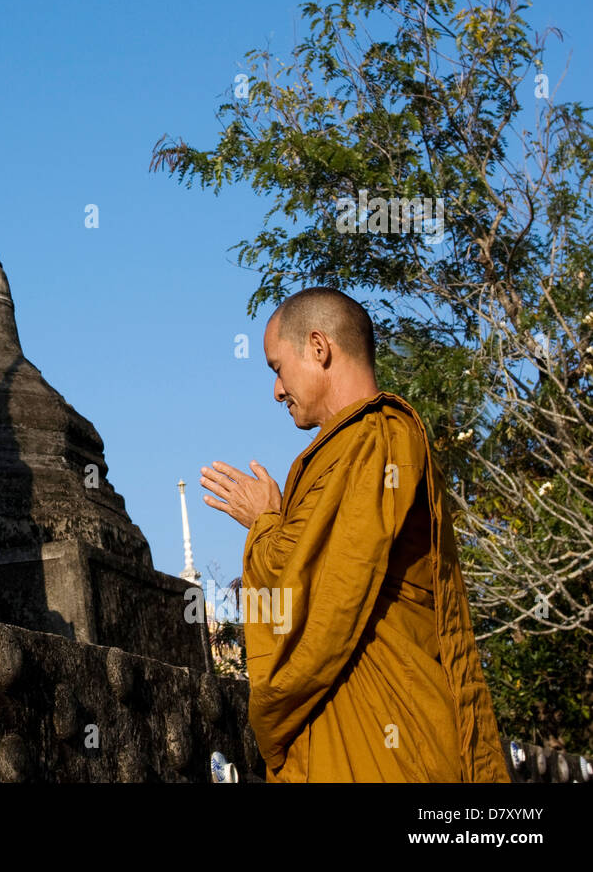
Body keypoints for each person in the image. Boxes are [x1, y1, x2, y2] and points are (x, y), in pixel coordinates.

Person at [200, 287, 510, 782]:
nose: (277, 391)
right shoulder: (343, 450)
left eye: (278, 368)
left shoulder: (378, 438)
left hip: (395, 746)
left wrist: (263, 524)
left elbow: (320, 593)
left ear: (319, 348)